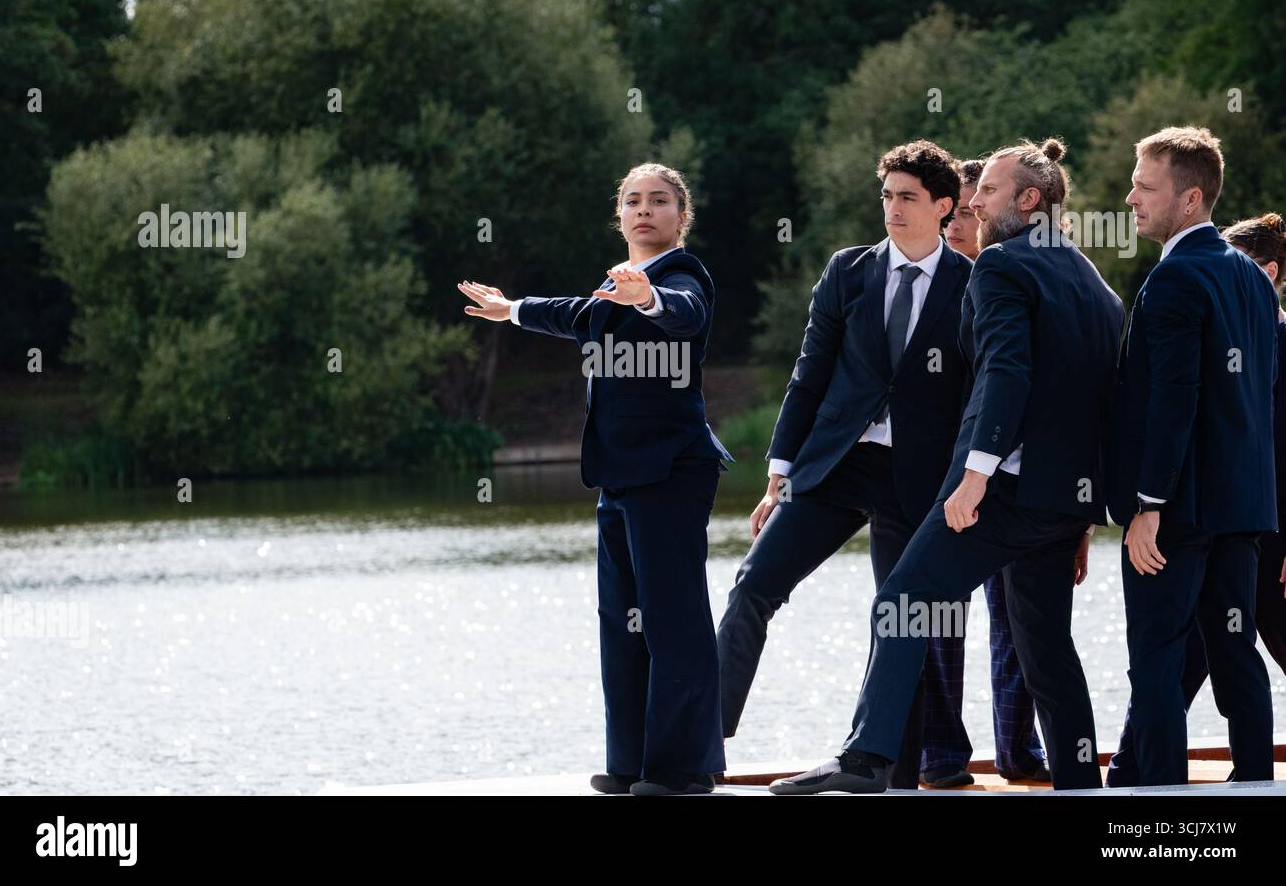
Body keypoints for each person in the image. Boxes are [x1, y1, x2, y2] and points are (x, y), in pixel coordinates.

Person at [773, 138, 1122, 794]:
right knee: (1046, 647)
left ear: (1028, 199)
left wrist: (974, 475)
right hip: (1064, 501)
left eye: (987, 191)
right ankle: (1081, 782)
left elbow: (1005, 374)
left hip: (1001, 492)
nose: (974, 201)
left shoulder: (999, 268)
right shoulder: (1094, 283)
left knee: (901, 602)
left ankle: (867, 759)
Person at [458, 163, 734, 796]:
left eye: (659, 201)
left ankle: (684, 768)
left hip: (671, 469)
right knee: (625, 617)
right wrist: (512, 310)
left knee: (673, 617)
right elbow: (579, 315)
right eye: (633, 201)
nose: (644, 210)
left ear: (680, 217)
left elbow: (685, 317)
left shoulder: (682, 275)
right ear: (620, 215)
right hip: (618, 473)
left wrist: (647, 297)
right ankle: (632, 761)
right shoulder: (615, 284)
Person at [716, 140, 974, 790]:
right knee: (754, 584)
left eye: (907, 196)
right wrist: (780, 471)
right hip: (833, 464)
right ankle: (700, 737)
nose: (892, 207)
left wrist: (974, 479)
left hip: (920, 479)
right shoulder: (848, 270)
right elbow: (810, 375)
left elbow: (981, 389)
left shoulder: (971, 284)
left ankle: (883, 767)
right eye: (886, 194)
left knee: (900, 612)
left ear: (944, 206)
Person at [1105, 128, 1278, 786]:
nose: (1131, 197)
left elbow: (1174, 400)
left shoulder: (1176, 277)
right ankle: (1258, 785)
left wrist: (1149, 502)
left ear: (1192, 197)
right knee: (1236, 648)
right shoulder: (1253, 280)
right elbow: (1253, 398)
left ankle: (1157, 793)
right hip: (1241, 506)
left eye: (1146, 187)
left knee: (1154, 655)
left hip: (1177, 509)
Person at [928, 156, 1054, 785]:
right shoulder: (932, 288)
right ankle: (941, 755)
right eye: (952, 216)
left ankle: (1019, 752)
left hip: (1010, 481)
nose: (961, 221)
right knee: (937, 622)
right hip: (943, 480)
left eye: (973, 203)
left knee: (1015, 623)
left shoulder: (1021, 279)